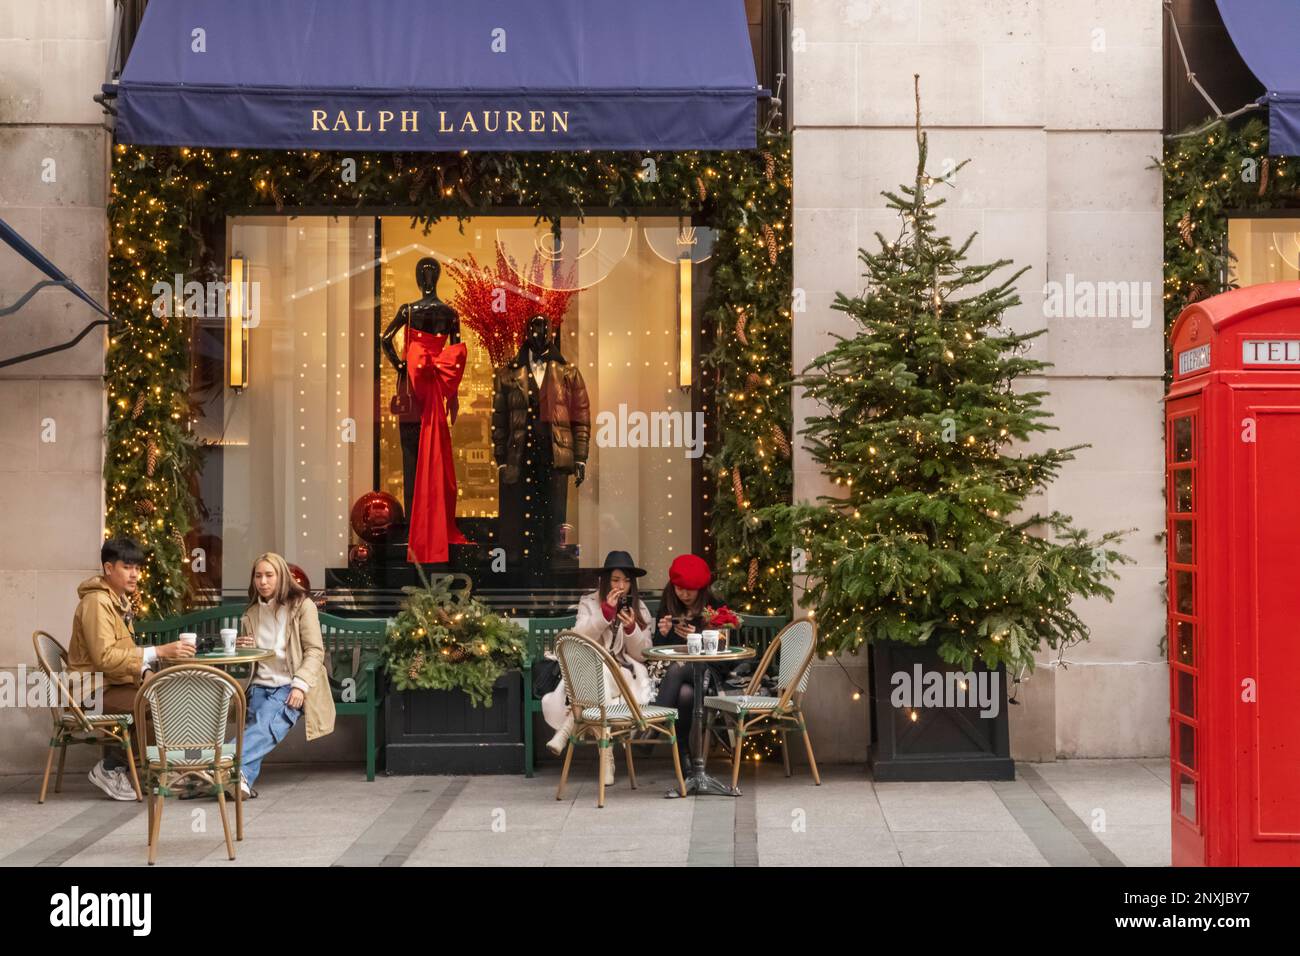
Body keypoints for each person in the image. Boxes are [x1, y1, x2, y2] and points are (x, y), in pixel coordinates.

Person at [68, 538, 195, 800]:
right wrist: (158, 652)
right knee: (150, 703)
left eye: (137, 567)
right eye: (128, 567)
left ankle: (153, 772)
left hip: (110, 685)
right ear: (108, 568)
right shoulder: (96, 603)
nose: (135, 574)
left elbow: (122, 654)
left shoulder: (117, 602)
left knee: (159, 697)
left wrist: (145, 671)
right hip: (91, 692)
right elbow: (104, 658)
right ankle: (112, 767)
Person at [541, 551, 654, 785]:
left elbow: (642, 653)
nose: (621, 586)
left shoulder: (639, 607)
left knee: (601, 668)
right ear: (605, 581)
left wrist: (632, 628)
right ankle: (607, 756)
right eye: (615, 580)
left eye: (626, 580)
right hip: (589, 672)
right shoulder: (589, 602)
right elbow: (579, 637)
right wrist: (605, 614)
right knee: (598, 667)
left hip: (622, 672)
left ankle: (569, 725)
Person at [230, 552, 336, 796]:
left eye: (269, 575)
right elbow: (256, 657)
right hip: (258, 685)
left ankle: (218, 761)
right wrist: (244, 648)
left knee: (266, 723)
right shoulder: (253, 612)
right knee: (257, 729)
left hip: (289, 684)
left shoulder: (302, 606)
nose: (263, 582)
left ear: (282, 577)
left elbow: (315, 651)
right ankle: (240, 779)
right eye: (258, 576)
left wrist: (300, 685)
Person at [652, 553, 726, 758]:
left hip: (708, 673)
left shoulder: (714, 607)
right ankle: (684, 753)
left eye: (689, 590)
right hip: (675, 678)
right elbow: (657, 650)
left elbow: (723, 647)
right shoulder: (669, 602)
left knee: (678, 670)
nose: (684, 594)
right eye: (679, 589)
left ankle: (654, 725)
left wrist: (698, 637)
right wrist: (663, 633)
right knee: (686, 694)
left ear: (701, 588)